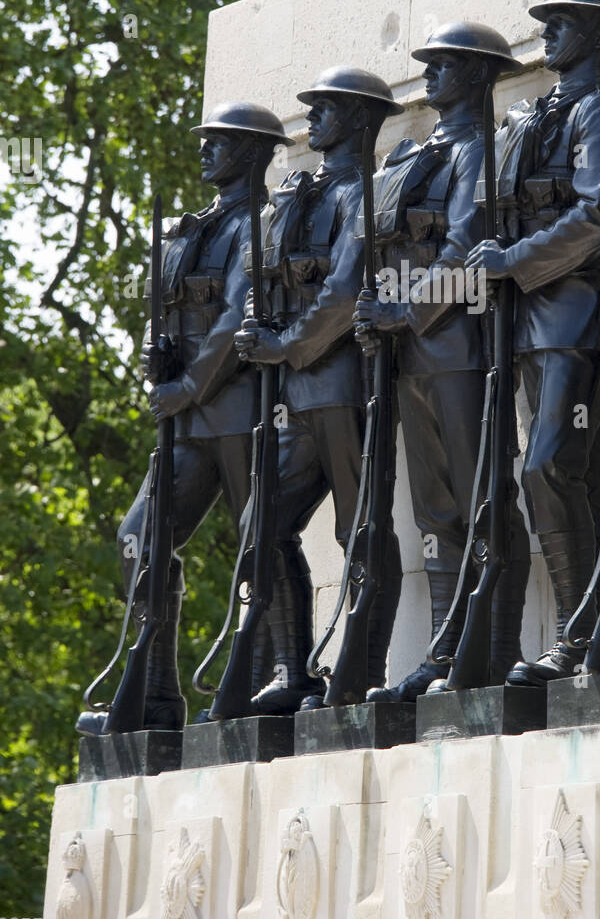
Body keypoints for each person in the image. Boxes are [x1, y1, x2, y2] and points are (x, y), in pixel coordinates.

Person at [77, 100, 287, 735]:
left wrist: (189, 383)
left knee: (264, 544)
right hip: (189, 420)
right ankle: (156, 692)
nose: (204, 150)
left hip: (238, 408)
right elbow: (178, 312)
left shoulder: (262, 223)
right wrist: (159, 354)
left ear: (251, 154)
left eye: (218, 142)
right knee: (140, 536)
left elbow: (236, 316)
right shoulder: (193, 228)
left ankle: (272, 680)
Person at [467, 0, 600, 685]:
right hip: (528, 325)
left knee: (549, 467)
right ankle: (595, 630)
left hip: (576, 315)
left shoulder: (599, 110)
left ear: (598, 36)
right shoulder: (533, 115)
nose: (545, 32)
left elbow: (597, 212)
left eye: (562, 23)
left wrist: (511, 262)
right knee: (560, 471)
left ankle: (581, 633)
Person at [356, 22, 533, 703]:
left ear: (479, 74)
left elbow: (464, 250)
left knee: (483, 497)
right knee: (434, 513)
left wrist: (404, 314)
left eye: (445, 63)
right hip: (409, 355)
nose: (428, 73)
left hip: (460, 349)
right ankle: (444, 649)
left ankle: (494, 648)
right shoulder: (410, 155)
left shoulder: (481, 150)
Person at [233, 67, 404, 713]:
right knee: (260, 524)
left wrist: (286, 344)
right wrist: (258, 321)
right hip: (296, 395)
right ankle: (292, 667)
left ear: (358, 120)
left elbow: (344, 293)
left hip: (343, 384)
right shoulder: (302, 195)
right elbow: (265, 274)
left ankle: (361, 670)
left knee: (360, 532)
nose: (312, 116)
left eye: (326, 108)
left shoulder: (364, 191)